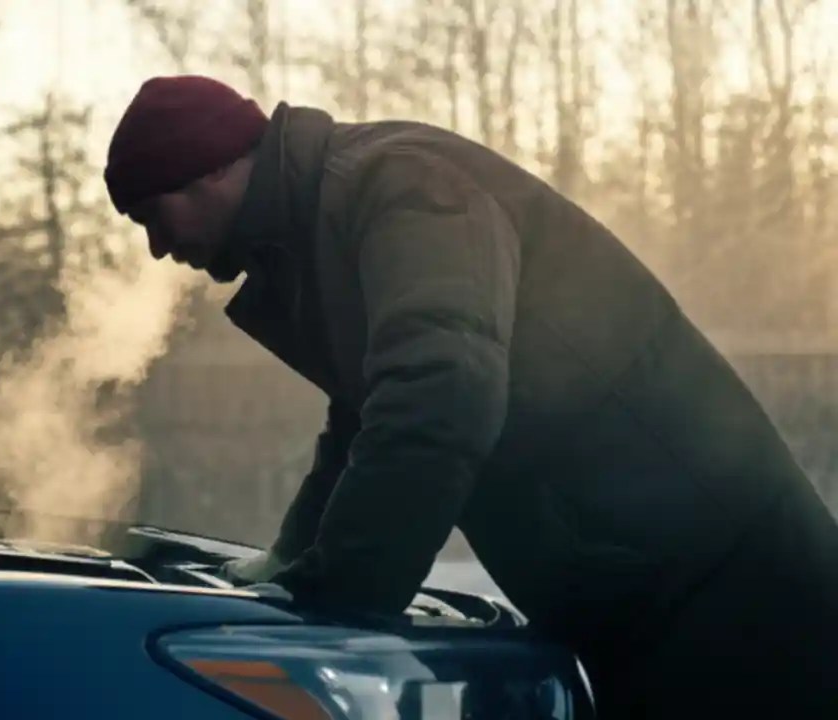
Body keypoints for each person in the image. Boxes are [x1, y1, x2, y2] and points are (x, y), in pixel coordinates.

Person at [103, 75, 838, 717]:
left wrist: (338, 601)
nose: (159, 249)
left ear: (205, 174)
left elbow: (438, 399)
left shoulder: (405, 187)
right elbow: (369, 420)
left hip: (728, 599)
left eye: (151, 217)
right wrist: (288, 563)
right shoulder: (329, 220)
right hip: (643, 592)